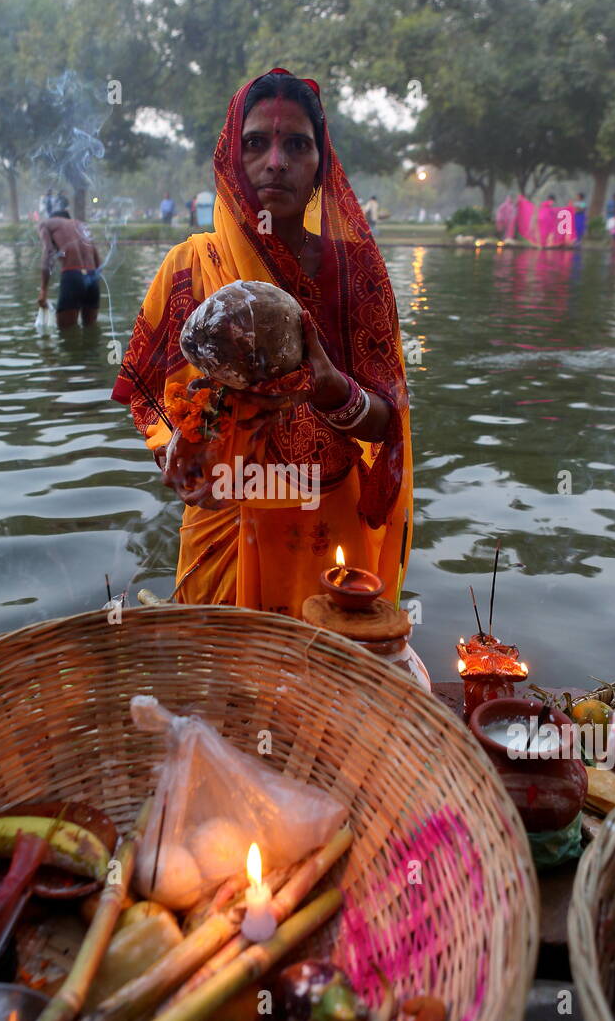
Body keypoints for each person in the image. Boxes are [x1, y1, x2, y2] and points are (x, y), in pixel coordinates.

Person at [112, 67, 412, 618]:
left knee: (320, 696)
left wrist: (331, 390)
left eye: (297, 144)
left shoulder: (354, 275)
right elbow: (146, 392)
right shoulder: (188, 267)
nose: (276, 162)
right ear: (232, 158)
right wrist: (178, 450)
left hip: (324, 533)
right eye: (256, 143)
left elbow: (387, 421)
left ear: (322, 165)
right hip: (223, 518)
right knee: (218, 694)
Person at [37, 206, 102, 329]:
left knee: (66, 333)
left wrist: (43, 290)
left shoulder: (47, 224)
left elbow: (49, 251)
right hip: (93, 277)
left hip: (73, 276)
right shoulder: (81, 226)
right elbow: (98, 261)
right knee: (91, 331)